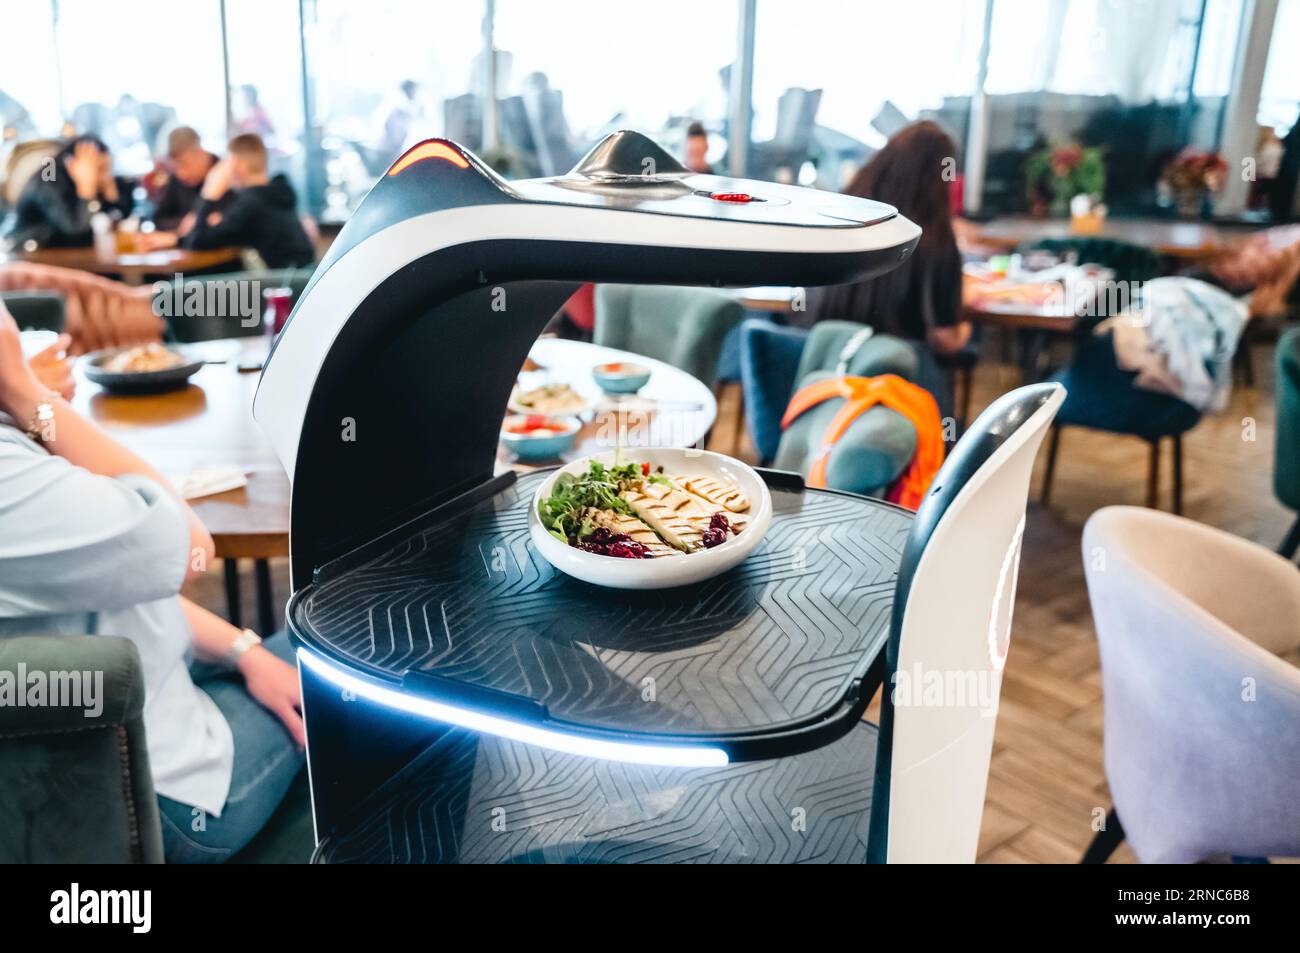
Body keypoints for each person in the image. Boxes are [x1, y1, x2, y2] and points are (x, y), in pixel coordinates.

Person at [0, 300, 305, 862]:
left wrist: (243, 650)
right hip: (148, 792)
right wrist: (26, 394)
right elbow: (186, 545)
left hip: (124, 714)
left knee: (287, 648)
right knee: (343, 651)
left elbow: (114, 573)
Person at [148, 133, 314, 268]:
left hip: (282, 285)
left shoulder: (250, 203)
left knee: (187, 297)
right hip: (300, 278)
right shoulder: (275, 193)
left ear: (237, 164)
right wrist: (176, 239)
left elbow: (196, 241)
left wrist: (209, 193)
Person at [5, 136, 131, 248]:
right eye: (99, 169)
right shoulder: (48, 180)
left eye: (108, 168)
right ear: (71, 163)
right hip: (28, 254)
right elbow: (75, 231)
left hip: (61, 254)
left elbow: (121, 222)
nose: (104, 177)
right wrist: (86, 188)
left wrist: (111, 191)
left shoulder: (90, 182)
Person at [150, 126, 218, 232]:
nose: (182, 174)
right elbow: (158, 219)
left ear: (200, 153)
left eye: (185, 165)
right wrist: (184, 224)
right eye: (176, 167)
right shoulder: (176, 178)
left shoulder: (221, 174)